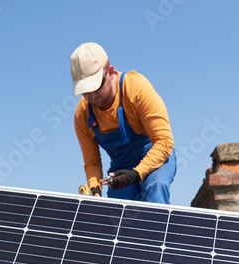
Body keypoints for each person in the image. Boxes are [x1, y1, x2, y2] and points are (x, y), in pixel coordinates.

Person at [70, 42, 176, 203]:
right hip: (121, 169)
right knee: (120, 209)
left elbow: (164, 141)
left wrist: (135, 174)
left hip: (156, 157)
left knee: (156, 187)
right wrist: (94, 188)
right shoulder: (82, 115)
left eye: (96, 87)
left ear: (110, 72)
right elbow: (92, 162)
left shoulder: (136, 89)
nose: (91, 96)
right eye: (85, 91)